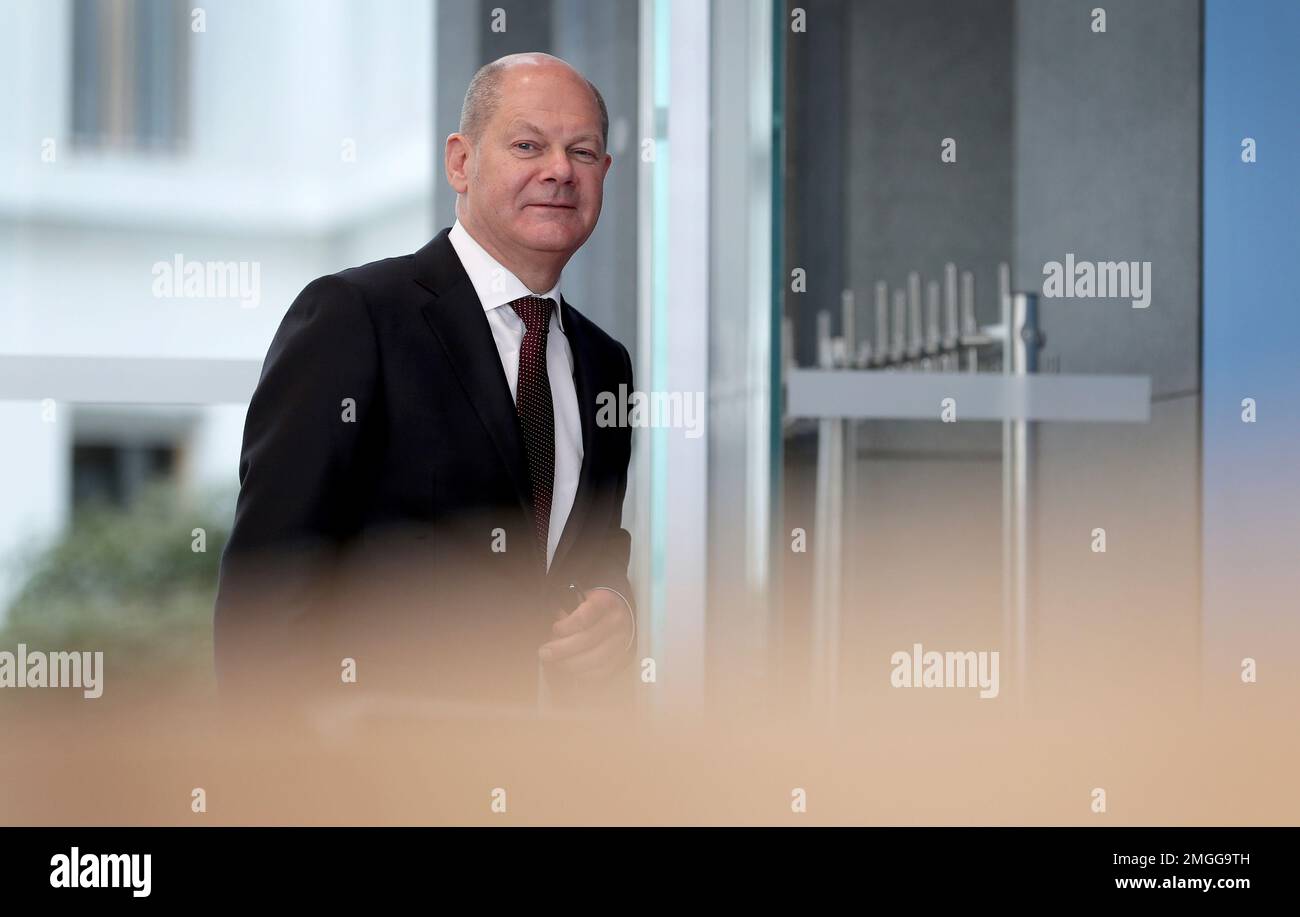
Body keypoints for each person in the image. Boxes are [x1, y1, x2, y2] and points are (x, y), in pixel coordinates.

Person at [213, 52, 636, 711]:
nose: (559, 170)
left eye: (582, 152)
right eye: (528, 144)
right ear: (460, 162)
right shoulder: (354, 317)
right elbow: (265, 594)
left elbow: (593, 550)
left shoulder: (606, 363)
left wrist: (613, 603)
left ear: (604, 174)